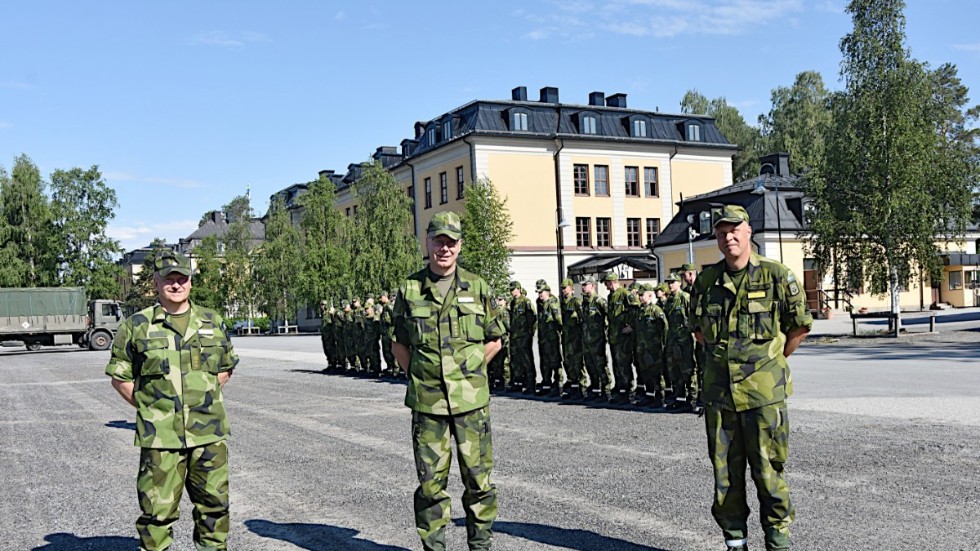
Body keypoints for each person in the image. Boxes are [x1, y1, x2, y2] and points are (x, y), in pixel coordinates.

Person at [691, 205, 812, 551]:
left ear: (749, 233)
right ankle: (735, 542)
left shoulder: (776, 276)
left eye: (734, 230)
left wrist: (770, 363)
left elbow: (799, 326)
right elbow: (699, 332)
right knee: (725, 477)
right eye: (721, 232)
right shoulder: (706, 281)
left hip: (764, 396)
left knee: (769, 473)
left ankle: (778, 543)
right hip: (720, 396)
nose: (728, 236)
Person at [106, 251, 239, 551]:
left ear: (191, 282)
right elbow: (120, 377)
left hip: (208, 434)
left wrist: (200, 397)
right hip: (160, 438)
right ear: (156, 283)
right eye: (169, 280)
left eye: (182, 279)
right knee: (157, 514)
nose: (176, 285)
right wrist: (152, 408)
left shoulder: (212, 321)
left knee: (215, 509)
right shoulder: (137, 326)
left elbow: (225, 368)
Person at [390, 211, 504, 551]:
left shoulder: (478, 287)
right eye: (438, 241)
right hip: (428, 405)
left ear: (459, 246)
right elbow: (398, 343)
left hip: (471, 404)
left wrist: (467, 372)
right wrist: (421, 376)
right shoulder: (410, 289)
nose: (445, 248)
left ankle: (480, 547)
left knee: (479, 482)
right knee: (430, 486)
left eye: (451, 242)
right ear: (427, 243)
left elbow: (495, 338)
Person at [664, 272, 696, 412]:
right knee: (674, 371)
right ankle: (679, 399)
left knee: (687, 370)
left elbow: (693, 317)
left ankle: (692, 400)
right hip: (672, 340)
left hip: (684, 341)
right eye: (668, 282)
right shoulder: (670, 300)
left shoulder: (685, 298)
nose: (670, 285)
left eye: (673, 282)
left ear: (679, 283)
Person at [634, 283, 668, 408]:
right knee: (645, 373)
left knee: (656, 374)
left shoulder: (656, 311)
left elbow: (664, 329)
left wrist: (662, 346)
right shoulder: (639, 311)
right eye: (639, 295)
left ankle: (659, 398)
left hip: (654, 349)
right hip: (642, 348)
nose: (640, 297)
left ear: (650, 295)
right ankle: (649, 396)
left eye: (642, 295)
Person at [604, 273, 636, 404]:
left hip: (623, 337)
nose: (605, 286)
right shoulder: (611, 296)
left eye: (606, 283)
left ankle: (627, 391)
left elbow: (636, 308)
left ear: (611, 282)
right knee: (616, 364)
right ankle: (619, 390)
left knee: (624, 364)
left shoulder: (625, 294)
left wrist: (632, 325)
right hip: (614, 336)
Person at [580, 276, 611, 401]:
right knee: (590, 366)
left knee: (600, 366)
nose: (583, 287)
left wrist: (606, 330)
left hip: (597, 340)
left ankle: (606, 391)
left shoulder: (599, 301)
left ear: (592, 286)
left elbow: (610, 317)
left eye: (585, 285)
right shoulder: (585, 302)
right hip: (586, 340)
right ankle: (595, 390)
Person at [535, 282, 563, 397]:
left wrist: (559, 333)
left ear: (547, 292)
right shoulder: (540, 303)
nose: (539, 295)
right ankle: (546, 386)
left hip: (552, 339)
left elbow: (559, 321)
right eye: (538, 293)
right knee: (544, 363)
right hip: (543, 338)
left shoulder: (553, 303)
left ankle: (558, 386)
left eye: (541, 292)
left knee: (555, 362)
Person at [508, 280, 536, 394]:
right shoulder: (513, 303)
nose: (512, 292)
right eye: (510, 290)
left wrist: (530, 333)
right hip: (515, 336)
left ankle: (530, 384)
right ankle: (518, 383)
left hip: (524, 336)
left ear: (519, 289)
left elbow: (532, 318)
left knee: (527, 361)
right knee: (516, 361)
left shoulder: (526, 302)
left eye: (513, 289)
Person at [559, 278, 586, 400]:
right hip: (567, 337)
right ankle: (573, 388)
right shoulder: (563, 303)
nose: (563, 290)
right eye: (562, 288)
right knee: (568, 363)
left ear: (571, 288)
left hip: (575, 337)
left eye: (565, 288)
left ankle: (581, 388)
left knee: (577, 363)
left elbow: (582, 319)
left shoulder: (576, 302)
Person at [488, 295, 511, 391]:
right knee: (498, 362)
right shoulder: (497, 310)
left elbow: (508, 325)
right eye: (498, 300)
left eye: (501, 300)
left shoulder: (504, 311)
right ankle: (500, 382)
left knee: (505, 362)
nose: (499, 301)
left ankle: (507, 383)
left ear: (505, 301)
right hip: (499, 338)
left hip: (505, 338)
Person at [378, 290, 398, 379]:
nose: (379, 299)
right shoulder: (385, 307)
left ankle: (396, 370)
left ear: (385, 297)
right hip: (385, 333)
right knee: (387, 351)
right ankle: (390, 368)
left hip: (391, 331)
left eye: (381, 297)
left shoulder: (390, 306)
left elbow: (395, 319)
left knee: (393, 351)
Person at [319, 300, 335, 372]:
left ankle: (334, 365)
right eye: (321, 305)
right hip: (325, 336)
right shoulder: (323, 314)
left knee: (331, 351)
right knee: (326, 351)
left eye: (323, 305)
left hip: (330, 336)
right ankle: (329, 364)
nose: (322, 306)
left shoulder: (329, 313)